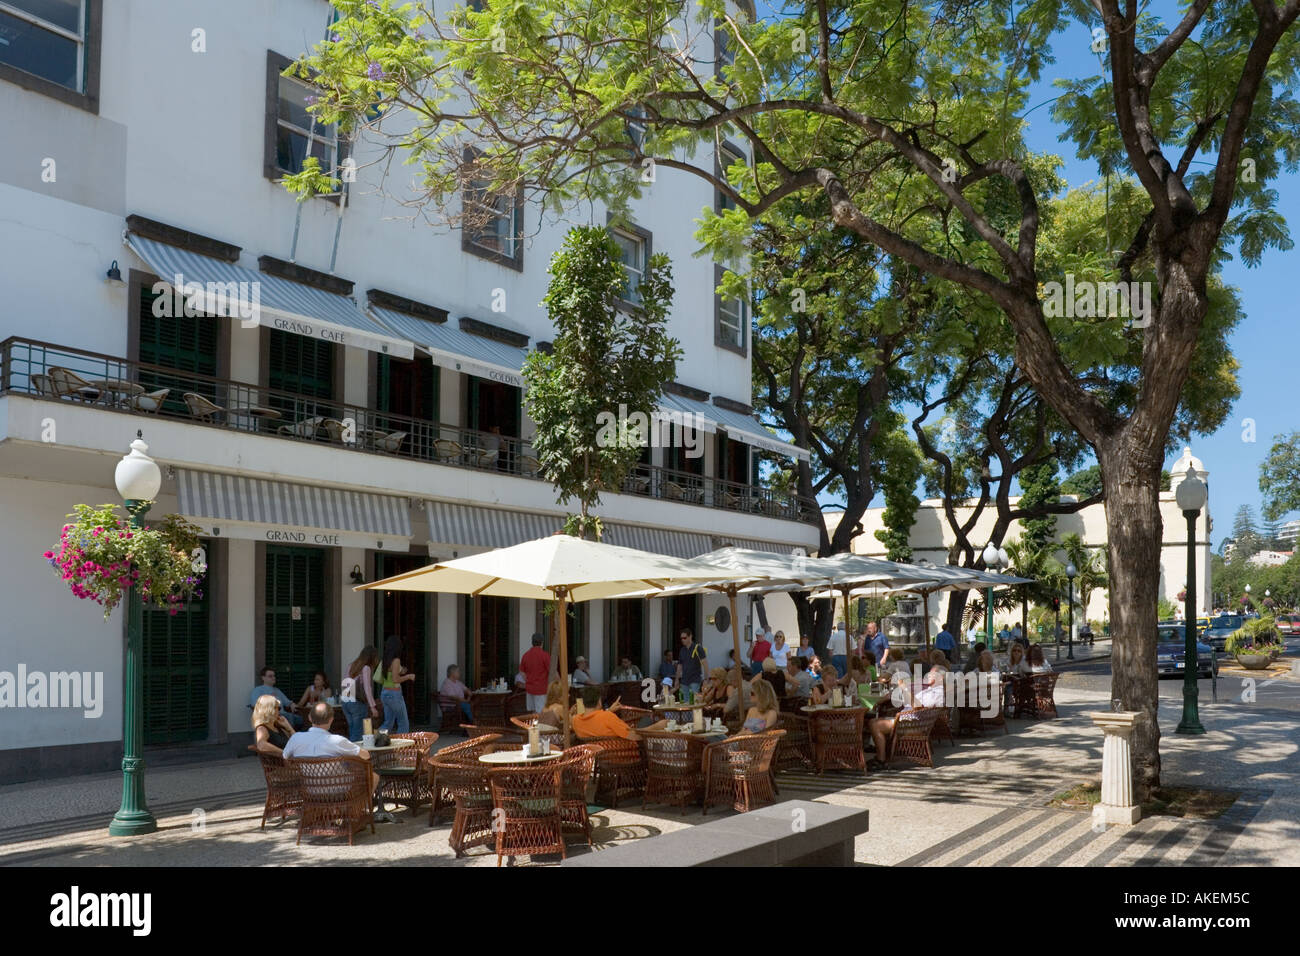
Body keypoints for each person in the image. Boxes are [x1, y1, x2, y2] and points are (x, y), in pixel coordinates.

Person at [282, 702, 376, 793]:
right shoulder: (337, 741)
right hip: (339, 789)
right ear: (331, 719)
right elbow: (366, 755)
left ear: (309, 718)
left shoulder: (296, 738)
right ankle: (358, 808)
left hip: (308, 789)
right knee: (373, 776)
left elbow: (285, 757)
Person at [377, 635, 414, 734]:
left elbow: (390, 675)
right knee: (403, 722)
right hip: (394, 694)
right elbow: (395, 679)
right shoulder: (396, 660)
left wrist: (401, 672)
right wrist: (408, 676)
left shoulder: (385, 659)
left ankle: (376, 740)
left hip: (385, 692)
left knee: (388, 723)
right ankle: (400, 746)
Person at [340, 648, 379, 742]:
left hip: (346, 701)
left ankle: (350, 753)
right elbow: (367, 688)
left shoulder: (351, 665)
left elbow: (344, 684)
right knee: (357, 734)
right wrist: (372, 706)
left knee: (352, 730)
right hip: (357, 703)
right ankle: (353, 755)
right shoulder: (366, 668)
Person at [572, 685, 637, 740]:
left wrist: (609, 710)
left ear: (583, 703)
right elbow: (632, 735)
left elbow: (594, 719)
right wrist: (646, 732)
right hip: (619, 752)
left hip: (591, 754)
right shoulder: (608, 717)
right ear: (599, 702)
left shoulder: (576, 721)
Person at [519, 633, 551, 713]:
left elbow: (522, 672)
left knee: (533, 713)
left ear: (532, 642)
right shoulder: (545, 655)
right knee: (541, 713)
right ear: (542, 642)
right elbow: (552, 671)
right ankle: (539, 726)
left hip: (530, 688)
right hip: (541, 689)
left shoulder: (526, 655)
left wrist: (529, 680)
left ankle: (534, 726)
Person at [675, 628, 708, 695]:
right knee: (685, 703)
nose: (682, 640)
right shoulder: (682, 650)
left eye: (684, 638)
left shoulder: (698, 648)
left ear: (690, 636)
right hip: (684, 681)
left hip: (695, 680)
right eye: (681, 638)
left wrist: (706, 679)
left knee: (694, 701)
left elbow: (705, 664)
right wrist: (677, 679)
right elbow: (679, 665)